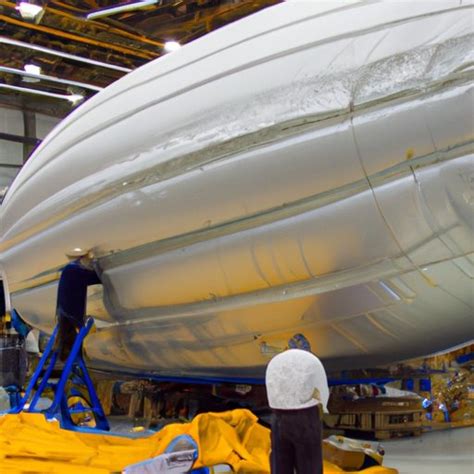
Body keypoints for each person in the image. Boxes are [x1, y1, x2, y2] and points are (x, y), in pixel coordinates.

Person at [265, 348, 329, 474]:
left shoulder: (276, 362)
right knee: (309, 464)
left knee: (280, 463)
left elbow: (270, 387)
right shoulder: (311, 362)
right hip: (306, 415)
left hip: (279, 415)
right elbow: (322, 389)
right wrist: (323, 405)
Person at [54, 253, 101, 361]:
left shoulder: (69, 269)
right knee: (70, 337)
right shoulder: (76, 270)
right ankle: (74, 357)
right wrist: (98, 266)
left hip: (64, 310)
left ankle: (68, 357)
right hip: (71, 311)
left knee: (66, 335)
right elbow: (96, 278)